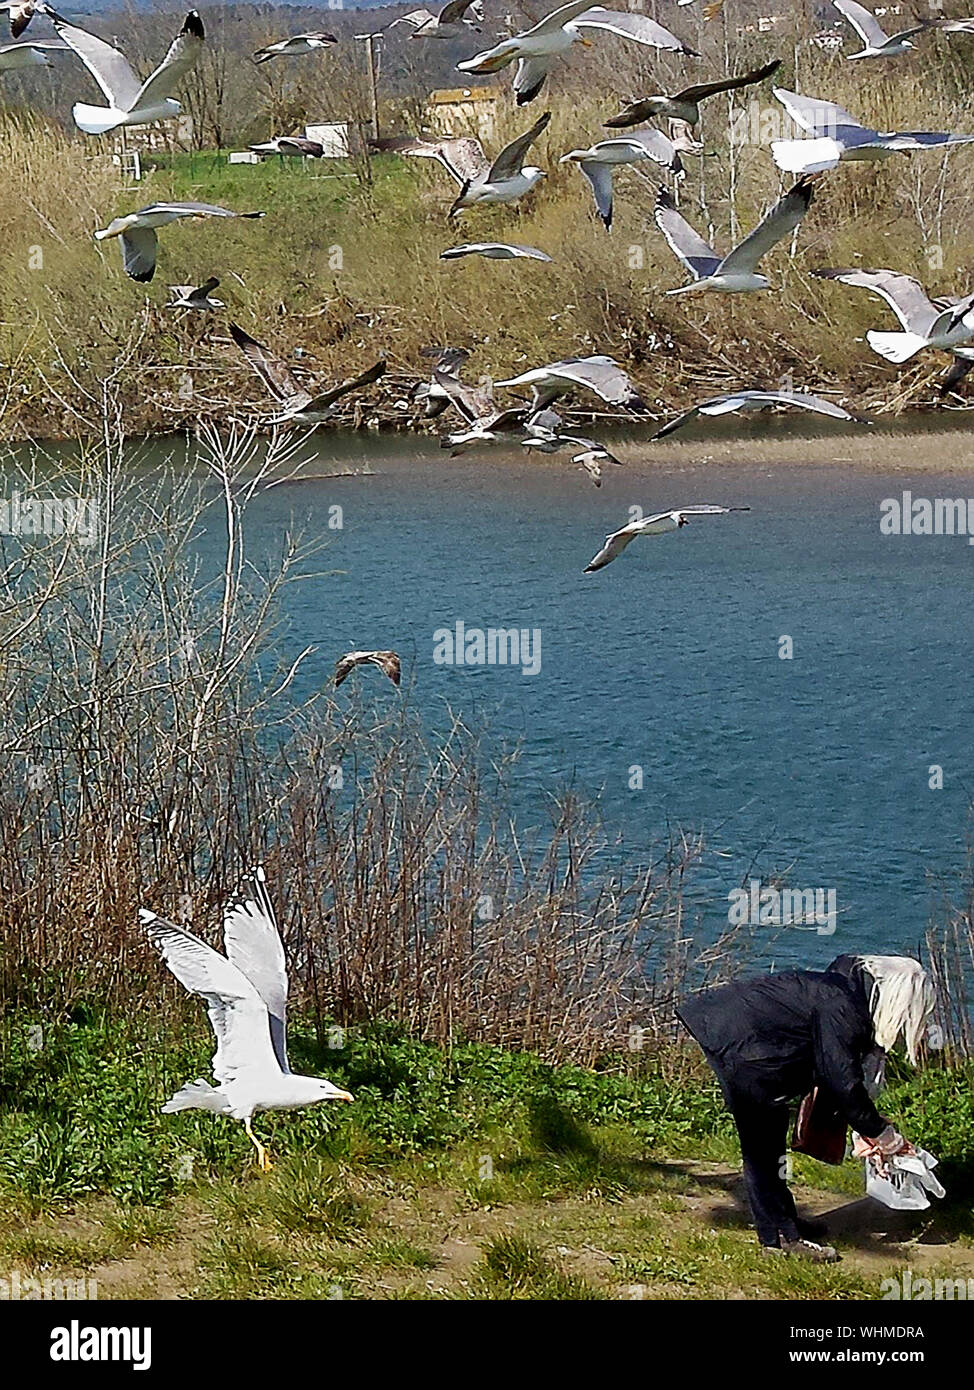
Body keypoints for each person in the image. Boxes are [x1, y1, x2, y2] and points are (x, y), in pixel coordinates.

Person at [676, 954, 936, 1261]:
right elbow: (843, 1082)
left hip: (733, 1023)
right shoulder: (842, 1007)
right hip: (737, 1038)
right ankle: (780, 1239)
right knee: (762, 1144)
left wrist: (865, 1122)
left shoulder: (847, 988)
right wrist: (884, 1136)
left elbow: (837, 1071)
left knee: (770, 1138)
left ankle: (785, 1220)